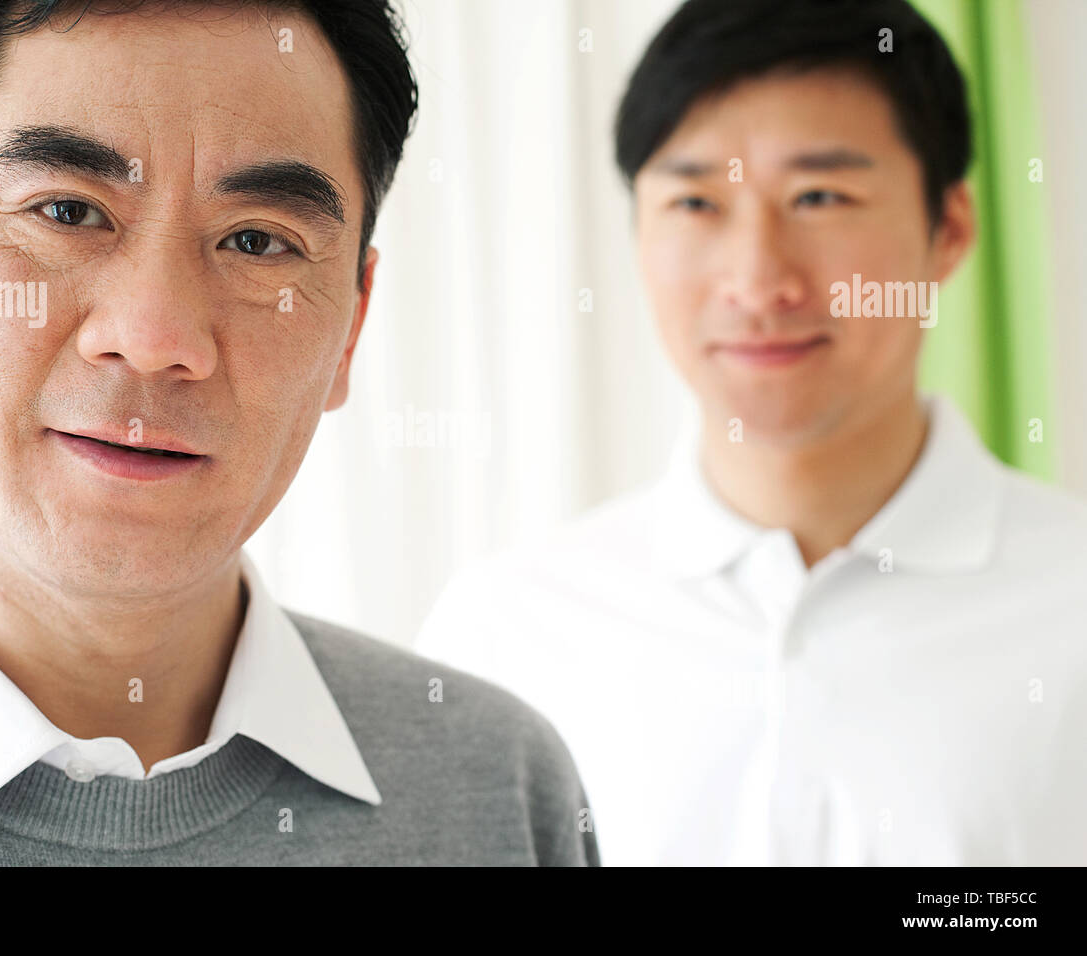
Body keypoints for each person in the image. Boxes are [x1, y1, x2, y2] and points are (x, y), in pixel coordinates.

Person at [0, 0, 599, 867]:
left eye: (257, 240)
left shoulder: (497, 793)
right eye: (65, 211)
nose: (154, 336)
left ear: (351, 331)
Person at [416, 0, 1087, 865]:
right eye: (696, 203)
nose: (757, 279)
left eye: (819, 196)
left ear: (948, 230)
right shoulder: (502, 633)